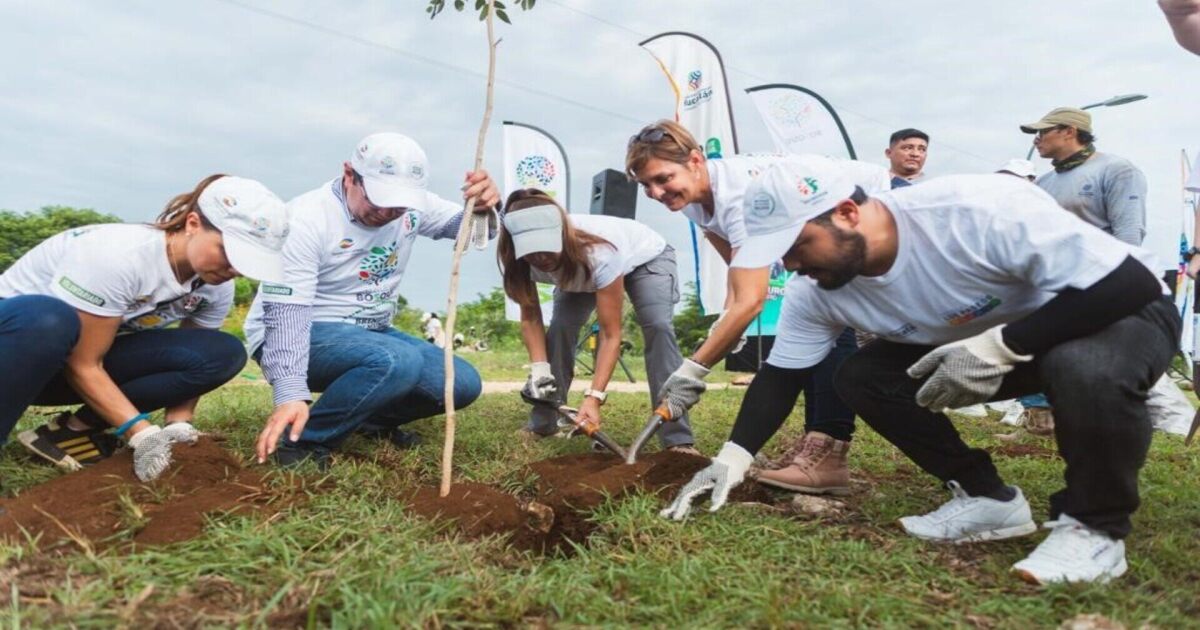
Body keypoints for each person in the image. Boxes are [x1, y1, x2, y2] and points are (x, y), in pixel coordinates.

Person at [661, 162, 1177, 585]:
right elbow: (781, 376)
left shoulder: (971, 209)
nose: (791, 267)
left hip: (1118, 309)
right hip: (996, 344)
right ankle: (987, 499)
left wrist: (1005, 345)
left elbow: (1128, 285)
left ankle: (1095, 530)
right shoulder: (813, 293)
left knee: (1080, 364)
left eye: (796, 248)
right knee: (863, 376)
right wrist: (732, 457)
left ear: (845, 213)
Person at [625, 119, 890, 494]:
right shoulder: (691, 199)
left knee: (829, 316)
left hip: (869, 205)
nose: (655, 192)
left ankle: (827, 450)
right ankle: (816, 446)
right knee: (816, 316)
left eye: (663, 178)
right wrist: (727, 323)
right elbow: (739, 270)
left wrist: (693, 369)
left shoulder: (740, 198)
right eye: (645, 185)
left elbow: (752, 298)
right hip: (816, 220)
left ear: (696, 161)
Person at [0, 175, 288, 481]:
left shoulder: (214, 285)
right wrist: (141, 433)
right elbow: (82, 363)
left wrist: (179, 424)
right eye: (229, 252)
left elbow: (192, 354)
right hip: (18, 352)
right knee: (48, 318)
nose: (235, 269)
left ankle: (69, 433)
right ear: (193, 223)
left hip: (64, 367)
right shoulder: (116, 257)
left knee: (221, 352)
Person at [246, 132, 498, 468]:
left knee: (460, 383)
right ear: (350, 174)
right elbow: (285, 315)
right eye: (380, 200)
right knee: (397, 360)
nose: (390, 212)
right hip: (299, 333)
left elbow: (474, 229)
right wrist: (290, 393)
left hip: (373, 333)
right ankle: (303, 443)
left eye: (400, 203)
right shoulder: (306, 219)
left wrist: (487, 205)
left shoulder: (408, 207)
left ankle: (368, 421)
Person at [499, 188, 696, 451]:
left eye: (547, 248)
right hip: (578, 273)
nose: (541, 258)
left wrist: (594, 397)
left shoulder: (600, 251)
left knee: (658, 327)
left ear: (562, 234)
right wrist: (539, 370)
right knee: (560, 329)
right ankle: (543, 422)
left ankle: (677, 439)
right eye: (532, 251)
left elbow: (610, 335)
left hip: (645, 258)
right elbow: (531, 318)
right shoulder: (516, 260)